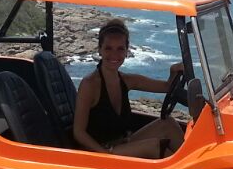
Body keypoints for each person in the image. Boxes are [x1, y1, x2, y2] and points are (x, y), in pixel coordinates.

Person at [73, 19, 185, 158]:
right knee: (154, 146)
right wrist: (106, 155)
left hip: (122, 143)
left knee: (168, 124)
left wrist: (174, 70)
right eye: (108, 48)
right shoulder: (89, 84)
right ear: (100, 50)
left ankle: (193, 168)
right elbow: (78, 132)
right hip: (98, 153)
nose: (114, 54)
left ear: (126, 51)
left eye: (120, 49)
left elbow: (167, 87)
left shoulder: (127, 80)